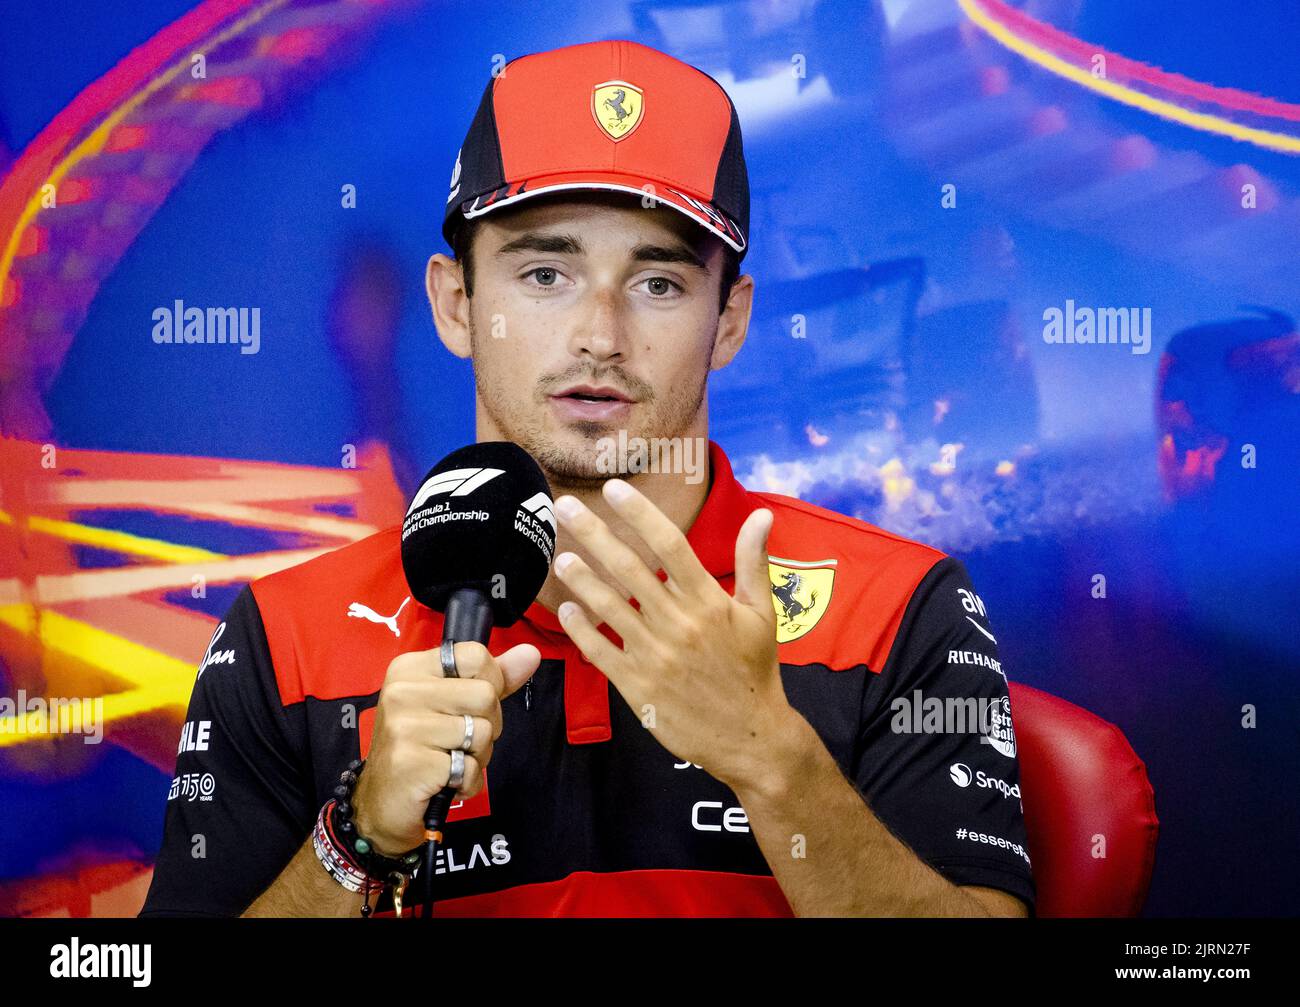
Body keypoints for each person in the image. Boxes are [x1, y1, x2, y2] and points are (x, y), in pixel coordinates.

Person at [140, 39, 1033, 918]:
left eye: (658, 284)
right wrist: (359, 836)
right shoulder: (287, 636)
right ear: (457, 304)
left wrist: (774, 761)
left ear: (730, 322)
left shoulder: (900, 606)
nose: (599, 333)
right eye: (545, 273)